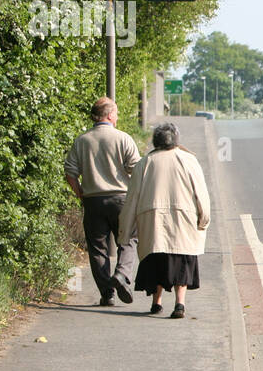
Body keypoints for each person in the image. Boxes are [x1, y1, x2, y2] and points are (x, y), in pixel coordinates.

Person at [118, 123, 210, 318]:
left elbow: (132, 198)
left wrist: (125, 231)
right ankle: (180, 303)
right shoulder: (189, 160)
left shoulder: (144, 163)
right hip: (183, 220)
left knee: (156, 259)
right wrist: (204, 219)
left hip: (152, 221)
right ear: (176, 139)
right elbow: (201, 194)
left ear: (155, 141)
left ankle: (156, 302)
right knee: (183, 260)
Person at [64, 97, 141, 306]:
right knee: (128, 239)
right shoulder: (123, 138)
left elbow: (70, 171)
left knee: (98, 248)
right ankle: (122, 275)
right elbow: (136, 168)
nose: (117, 117)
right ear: (109, 115)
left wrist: (80, 192)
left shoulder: (82, 140)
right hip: (121, 200)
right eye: (115, 113)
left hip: (93, 200)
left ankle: (107, 294)